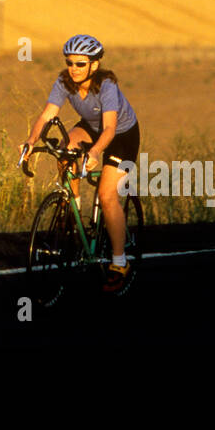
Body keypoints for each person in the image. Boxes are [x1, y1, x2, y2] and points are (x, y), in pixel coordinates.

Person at [19, 34, 141, 292]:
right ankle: (71, 210)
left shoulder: (106, 85)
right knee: (65, 151)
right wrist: (30, 141)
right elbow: (47, 115)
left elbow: (109, 129)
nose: (73, 69)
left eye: (80, 64)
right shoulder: (64, 81)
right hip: (91, 127)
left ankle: (120, 262)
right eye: (69, 63)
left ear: (94, 65)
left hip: (120, 134)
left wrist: (95, 153)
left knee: (107, 195)